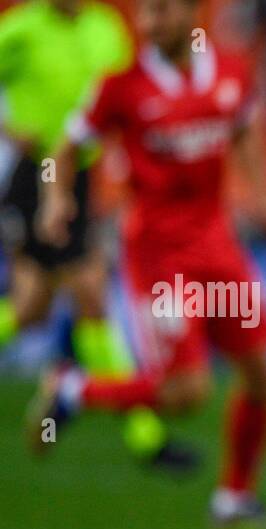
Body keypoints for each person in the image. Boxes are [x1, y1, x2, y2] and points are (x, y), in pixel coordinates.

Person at [31, 0, 266, 529]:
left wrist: (264, 197)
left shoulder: (231, 72)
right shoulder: (121, 86)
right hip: (160, 256)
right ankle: (74, 388)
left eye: (160, 12)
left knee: (261, 375)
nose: (147, 24)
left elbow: (242, 132)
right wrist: (56, 198)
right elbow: (65, 147)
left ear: (191, 14)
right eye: (143, 14)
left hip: (218, 247)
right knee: (187, 393)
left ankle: (234, 498)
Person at [0, 0, 193, 472]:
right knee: (83, 294)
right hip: (36, 172)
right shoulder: (20, 29)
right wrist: (8, 127)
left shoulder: (107, 29)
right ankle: (145, 436)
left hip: (79, 178)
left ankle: (137, 430)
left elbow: (128, 97)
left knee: (32, 307)